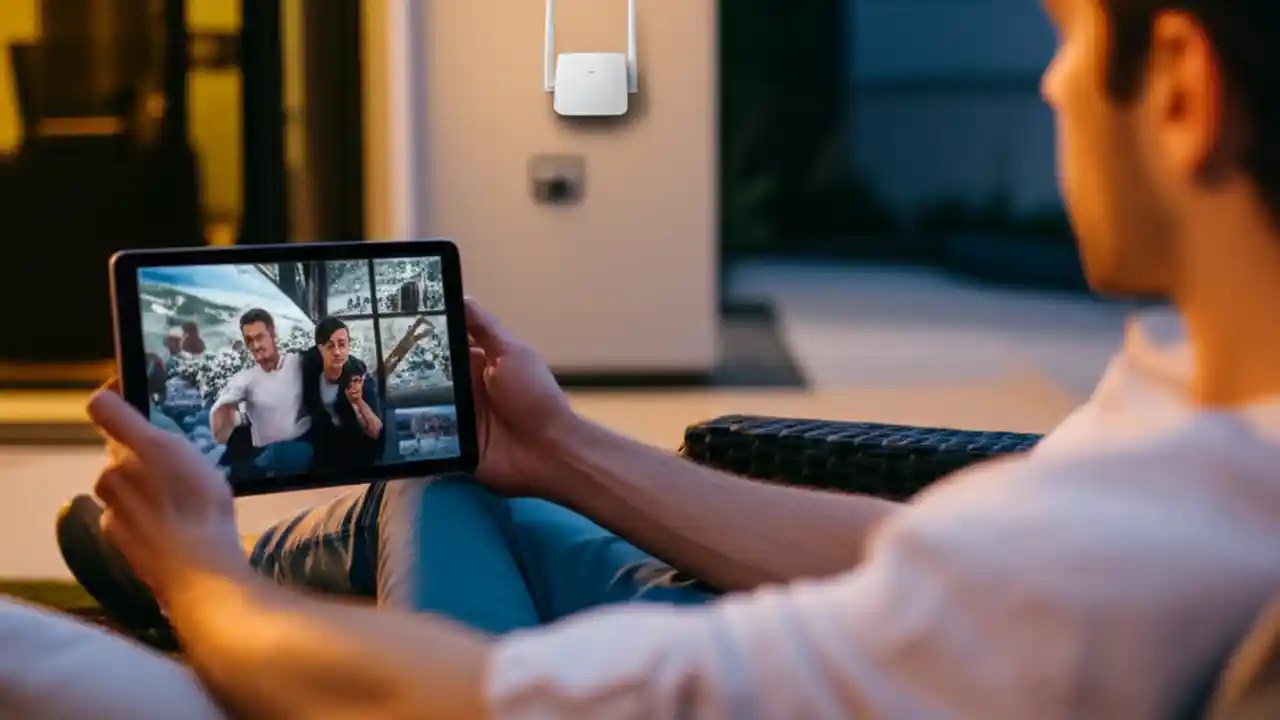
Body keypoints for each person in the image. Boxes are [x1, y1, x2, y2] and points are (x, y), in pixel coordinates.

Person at [13, 0, 1280, 717]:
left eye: (1064, 33)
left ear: (1176, 83)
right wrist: (559, 447)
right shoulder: (1183, 413)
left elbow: (457, 706)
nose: (1052, 85)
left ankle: (185, 564)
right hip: (789, 619)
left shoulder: (1152, 547)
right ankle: (247, 550)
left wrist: (203, 588)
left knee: (411, 495)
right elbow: (923, 559)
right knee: (466, 478)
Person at [210, 308, 313, 476]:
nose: (255, 346)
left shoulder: (298, 362)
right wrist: (225, 415)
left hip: (301, 449)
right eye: (249, 340)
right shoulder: (245, 379)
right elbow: (224, 407)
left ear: (272, 334)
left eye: (259, 337)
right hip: (264, 457)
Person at [300, 316, 384, 469]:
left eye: (342, 345)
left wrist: (357, 401)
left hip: (356, 450)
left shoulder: (359, 375)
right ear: (320, 348)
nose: (338, 352)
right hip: (321, 445)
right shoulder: (307, 368)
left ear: (348, 346)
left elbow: (375, 431)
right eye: (331, 346)